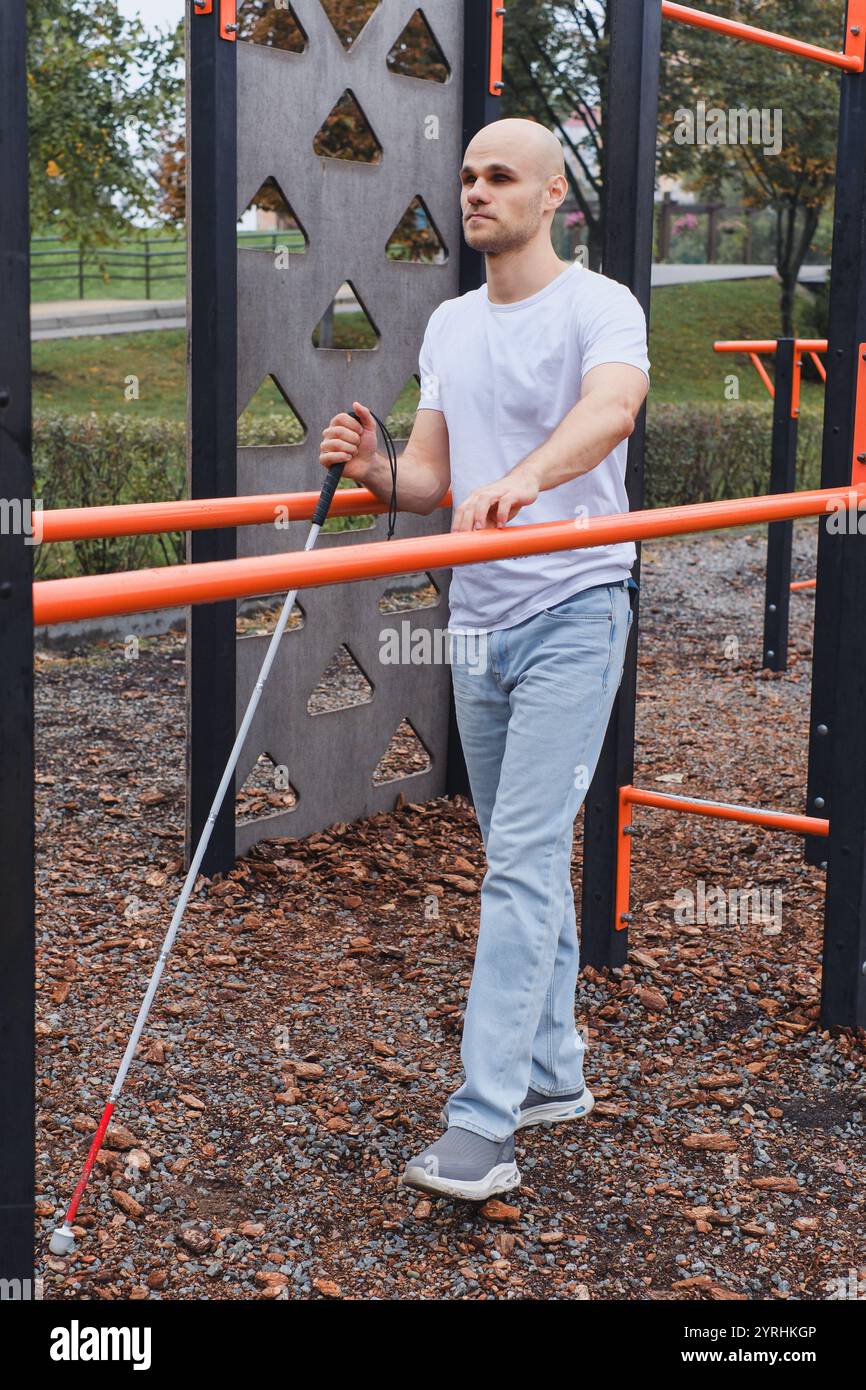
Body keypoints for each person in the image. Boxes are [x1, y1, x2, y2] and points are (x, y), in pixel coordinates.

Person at [319, 117, 649, 1202]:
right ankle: (552, 1070)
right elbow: (427, 480)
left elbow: (610, 410)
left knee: (514, 857)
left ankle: (483, 1124)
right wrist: (373, 466)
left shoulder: (598, 305)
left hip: (573, 604)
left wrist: (530, 481)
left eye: (498, 176)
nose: (474, 191)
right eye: (464, 176)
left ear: (549, 196)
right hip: (479, 615)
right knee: (519, 848)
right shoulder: (450, 323)